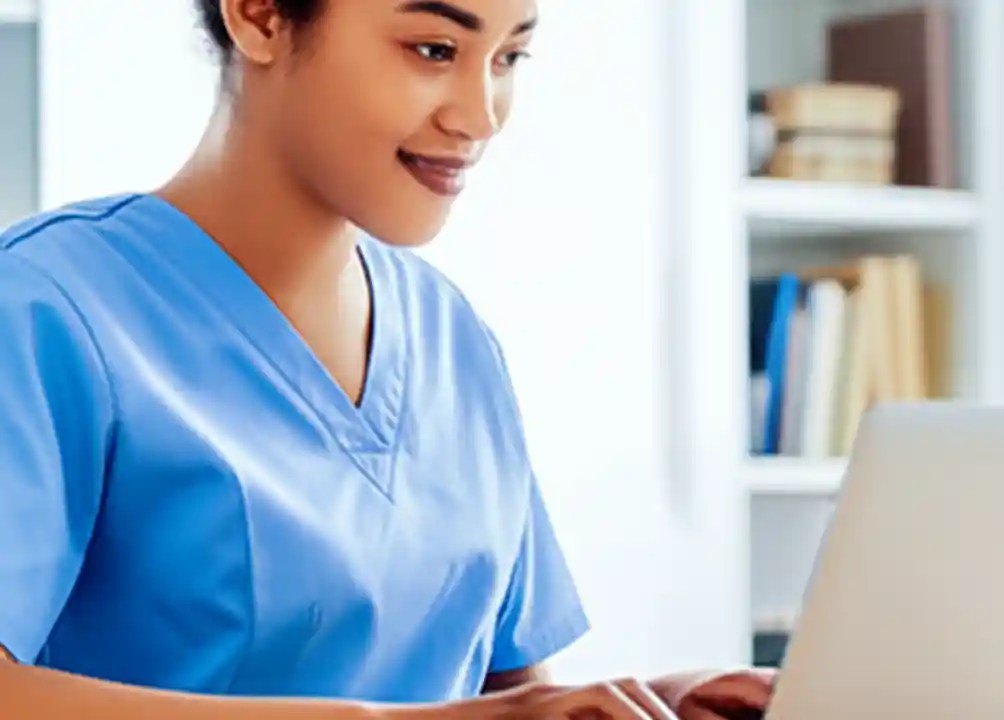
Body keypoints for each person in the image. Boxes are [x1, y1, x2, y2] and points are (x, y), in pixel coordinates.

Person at [0, 0, 774, 717]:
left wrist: (659, 700)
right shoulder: (46, 307)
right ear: (259, 14)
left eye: (508, 59)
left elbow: (503, 694)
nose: (481, 116)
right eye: (434, 49)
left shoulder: (453, 337)